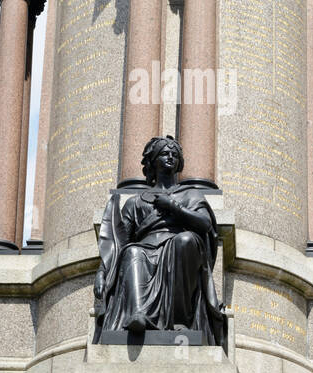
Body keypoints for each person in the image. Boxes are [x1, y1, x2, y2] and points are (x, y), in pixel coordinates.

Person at [94, 136, 225, 344]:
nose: (171, 156)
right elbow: (120, 244)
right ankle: (138, 316)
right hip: (145, 248)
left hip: (179, 245)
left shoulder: (190, 194)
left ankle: (180, 320)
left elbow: (205, 224)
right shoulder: (136, 202)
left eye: (175, 154)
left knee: (185, 241)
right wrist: (102, 272)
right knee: (132, 253)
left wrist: (173, 207)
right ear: (153, 161)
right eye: (165, 153)